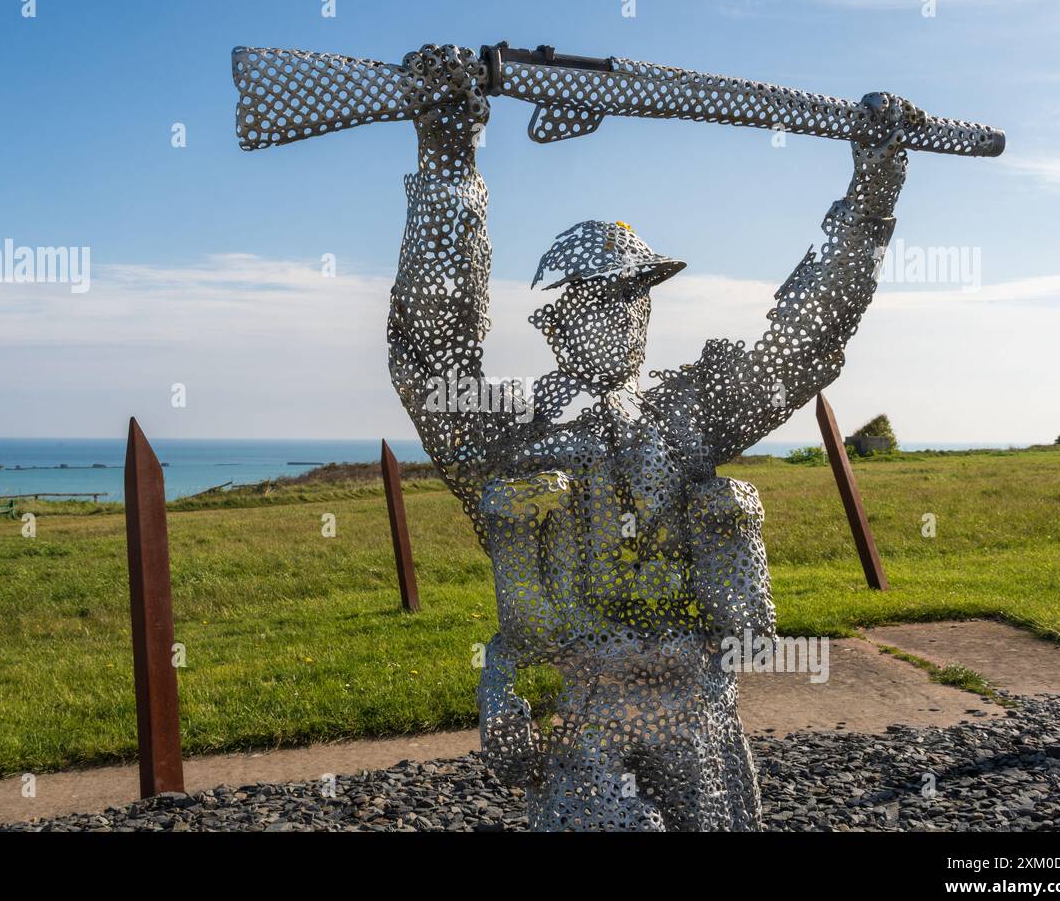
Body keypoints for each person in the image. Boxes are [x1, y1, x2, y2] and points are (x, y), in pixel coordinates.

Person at [386, 44, 917, 830]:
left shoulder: (685, 414)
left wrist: (871, 193)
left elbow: (805, 339)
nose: (631, 313)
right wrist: (446, 152)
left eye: (641, 295)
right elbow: (431, 346)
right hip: (583, 716)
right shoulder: (510, 429)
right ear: (560, 318)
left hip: (697, 705)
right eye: (609, 297)